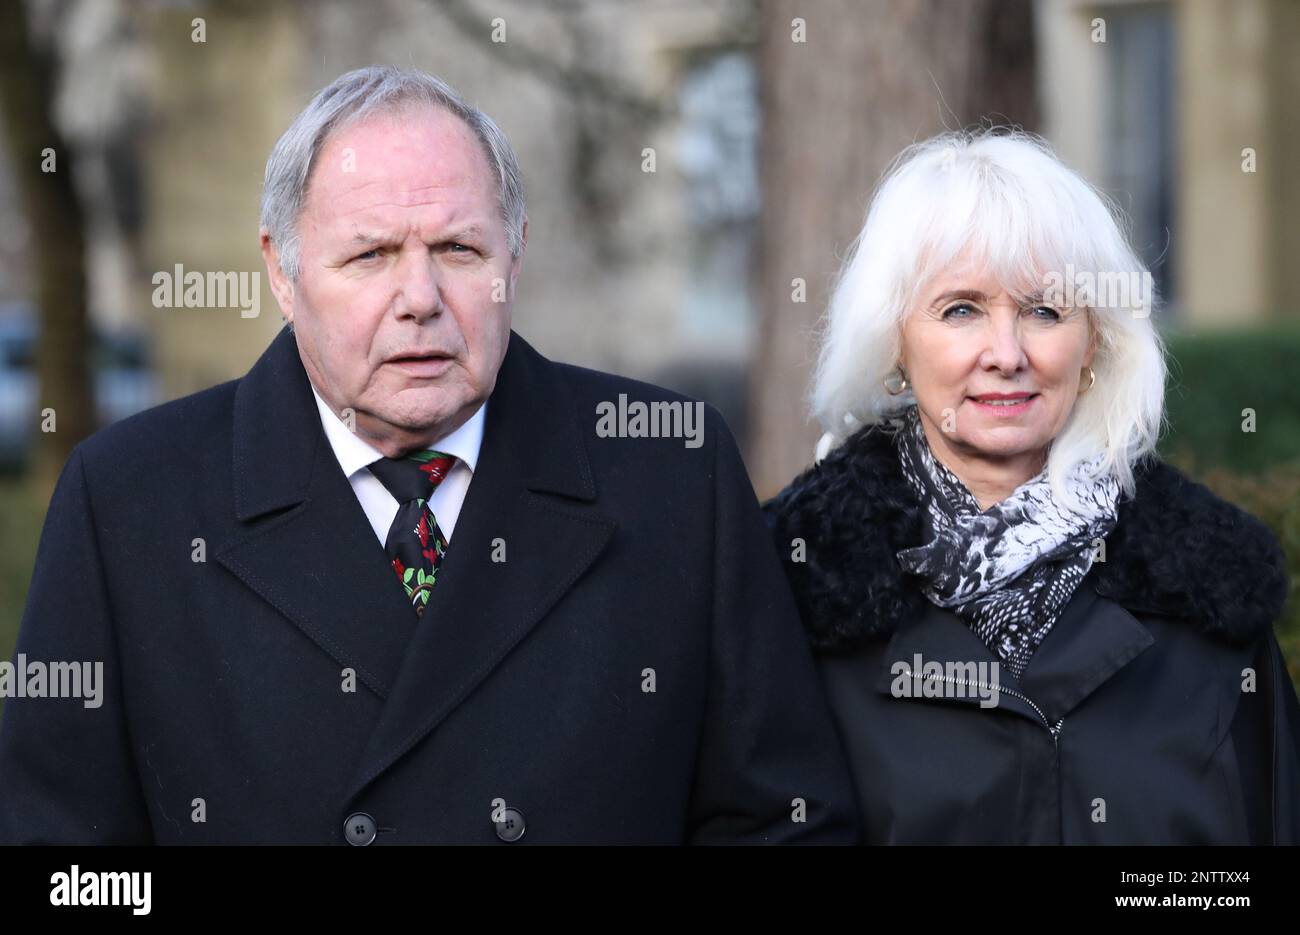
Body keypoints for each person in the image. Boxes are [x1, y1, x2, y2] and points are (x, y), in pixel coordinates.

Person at [0, 65, 858, 845]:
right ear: (282, 272)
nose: (420, 300)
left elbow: (786, 821)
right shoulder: (130, 502)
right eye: (370, 255)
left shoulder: (671, 472)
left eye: (458, 250)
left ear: (513, 254)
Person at [764, 128, 1300, 844]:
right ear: (893, 342)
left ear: (1094, 343)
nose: (1007, 354)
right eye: (961, 310)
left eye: (1045, 311)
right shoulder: (789, 592)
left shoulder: (1211, 594)